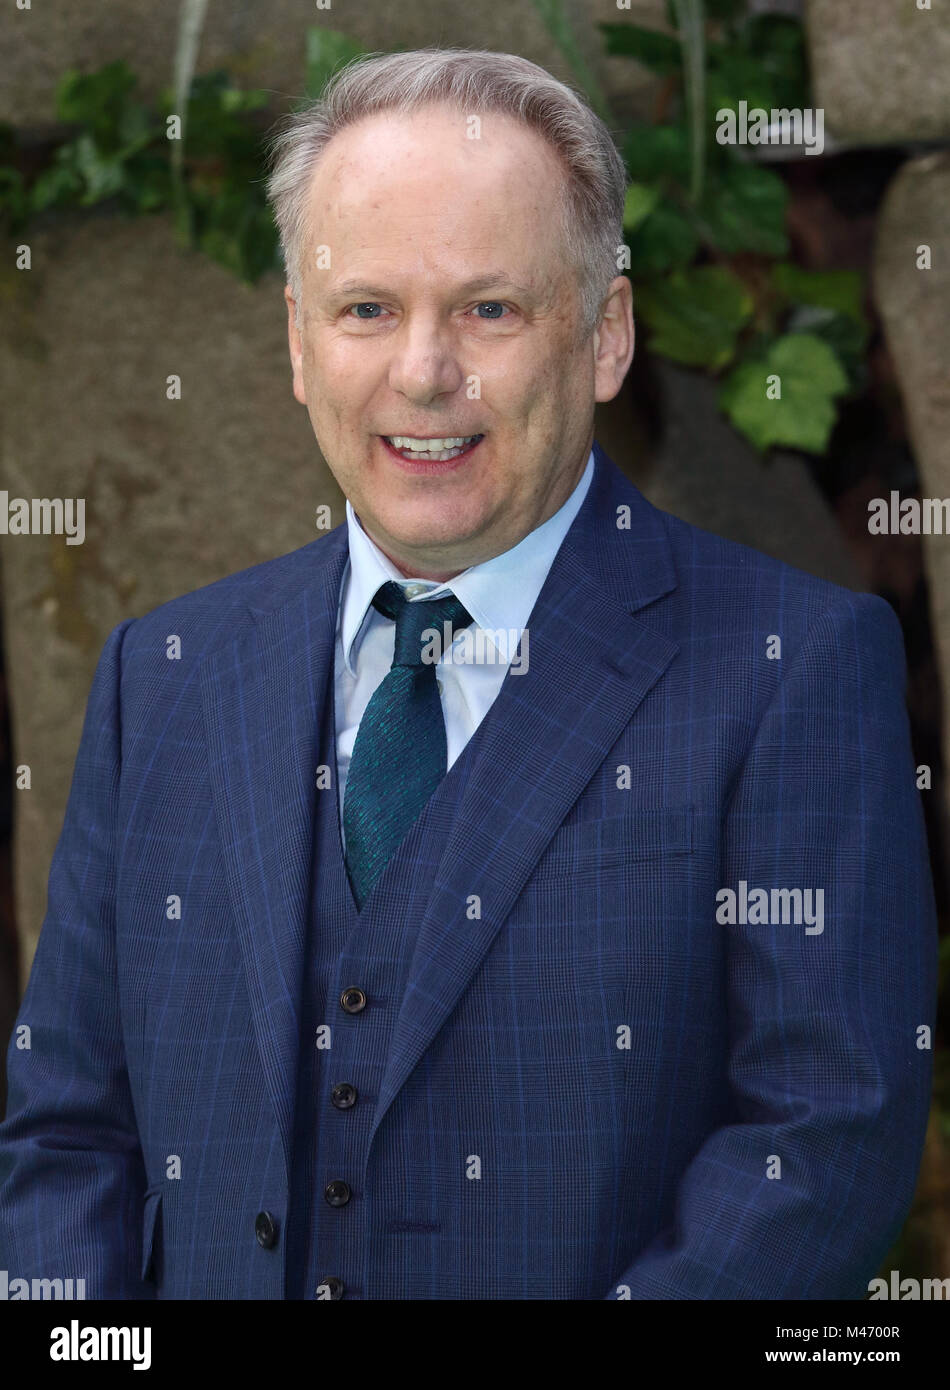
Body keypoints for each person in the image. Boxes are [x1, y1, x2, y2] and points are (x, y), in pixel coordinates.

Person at [0, 48, 936, 1300]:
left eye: (489, 309)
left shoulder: (792, 670)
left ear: (604, 334)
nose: (423, 371)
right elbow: (66, 1136)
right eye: (365, 309)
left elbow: (821, 1138)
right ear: (297, 342)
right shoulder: (161, 676)